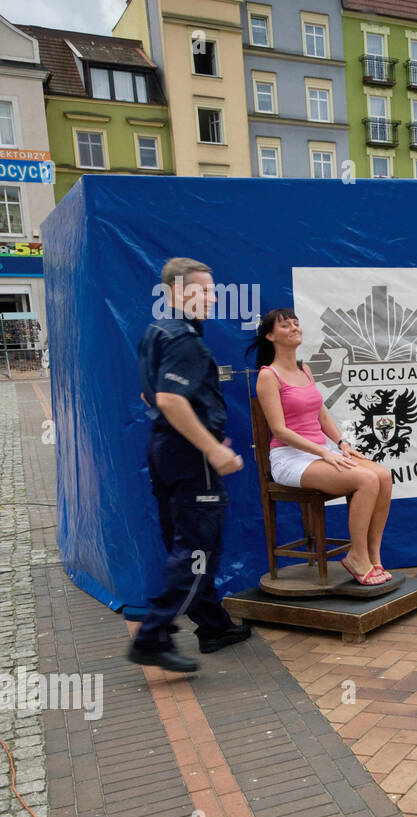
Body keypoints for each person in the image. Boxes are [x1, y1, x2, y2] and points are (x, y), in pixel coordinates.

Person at [131, 257, 251, 673]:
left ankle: (213, 626)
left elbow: (150, 397)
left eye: (212, 291)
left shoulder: (155, 333)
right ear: (174, 293)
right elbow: (168, 399)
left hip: (165, 451)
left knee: (186, 544)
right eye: (200, 290)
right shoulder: (186, 340)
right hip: (189, 457)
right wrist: (212, 447)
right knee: (197, 548)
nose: (211, 297)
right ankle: (152, 636)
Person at [254, 308, 394, 586]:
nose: (295, 328)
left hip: (319, 452)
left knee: (383, 475)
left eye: (296, 322)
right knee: (366, 480)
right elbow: (280, 430)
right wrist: (323, 452)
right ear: (270, 336)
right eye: (285, 326)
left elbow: (321, 415)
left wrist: (341, 444)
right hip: (290, 459)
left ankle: (371, 554)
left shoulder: (304, 370)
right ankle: (356, 557)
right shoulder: (268, 376)